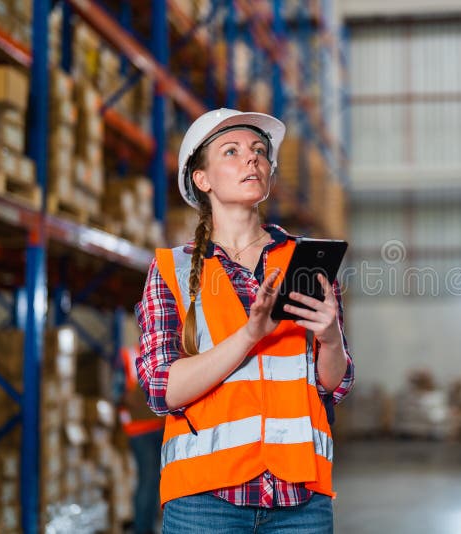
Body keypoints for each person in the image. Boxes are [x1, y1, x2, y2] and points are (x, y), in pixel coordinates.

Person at [134, 108, 355, 533]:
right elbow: (162, 390)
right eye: (231, 151)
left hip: (299, 498)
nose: (252, 158)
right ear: (202, 179)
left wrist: (331, 339)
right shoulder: (172, 270)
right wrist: (250, 335)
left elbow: (333, 384)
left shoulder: (305, 261)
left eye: (259, 151)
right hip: (204, 501)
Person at [118, 345, 166, 534]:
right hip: (140, 429)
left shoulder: (163, 351)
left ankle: (149, 525)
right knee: (148, 478)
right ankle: (142, 528)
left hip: (162, 426)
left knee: (156, 479)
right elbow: (115, 391)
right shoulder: (128, 356)